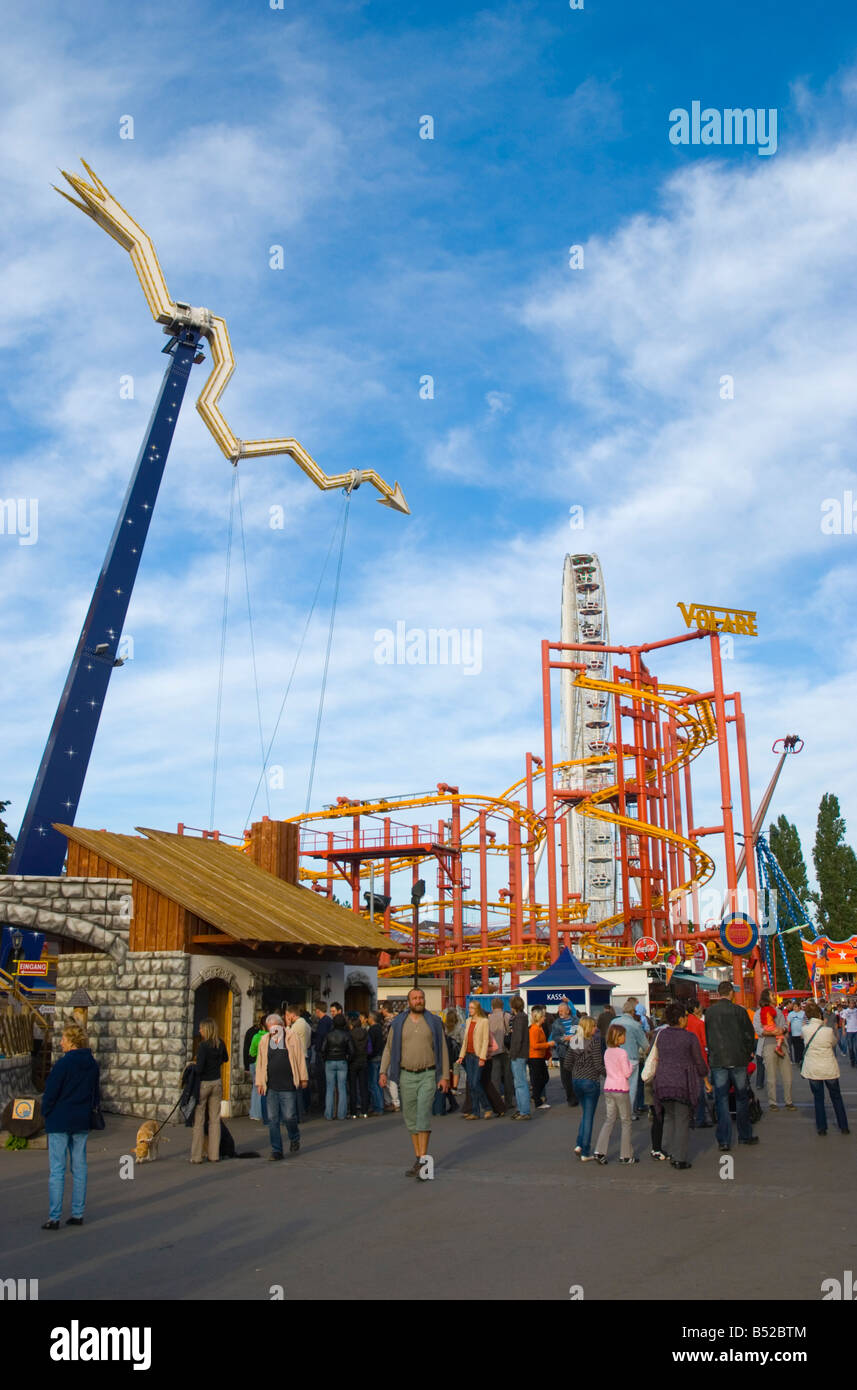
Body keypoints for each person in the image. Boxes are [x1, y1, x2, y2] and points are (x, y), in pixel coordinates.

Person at [379, 987, 449, 1175]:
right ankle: (418, 1158)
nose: (419, 1001)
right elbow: (388, 1049)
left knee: (423, 1115)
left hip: (428, 1074)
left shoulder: (434, 1022)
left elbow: (442, 1049)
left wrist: (444, 1077)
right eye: (415, 998)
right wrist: (382, 1071)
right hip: (406, 1075)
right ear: (409, 1002)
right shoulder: (398, 1023)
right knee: (410, 1118)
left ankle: (423, 1159)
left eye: (421, 998)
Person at [41, 1023, 100, 1230]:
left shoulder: (63, 1064)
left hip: (59, 1120)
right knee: (80, 1167)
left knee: (57, 1169)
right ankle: (77, 1213)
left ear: (72, 1041)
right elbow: (96, 1093)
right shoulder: (92, 1063)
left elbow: (50, 1093)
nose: (61, 1042)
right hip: (81, 1120)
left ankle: (54, 1217)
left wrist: (45, 1113)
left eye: (64, 1039)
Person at [651, 1002, 709, 1170]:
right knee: (682, 1120)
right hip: (682, 1082)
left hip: (662, 1081)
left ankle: (669, 1151)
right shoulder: (689, 1037)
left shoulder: (660, 1035)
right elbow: (699, 1061)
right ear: (681, 1019)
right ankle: (679, 1158)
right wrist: (704, 1075)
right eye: (685, 1016)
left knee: (669, 1117)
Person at [705, 981, 758, 1151]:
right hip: (738, 1058)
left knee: (721, 1099)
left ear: (719, 993)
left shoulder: (710, 1012)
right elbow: (749, 1034)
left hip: (718, 1059)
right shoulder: (739, 1011)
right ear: (731, 993)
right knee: (742, 1097)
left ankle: (724, 1139)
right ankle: (744, 1135)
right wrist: (749, 1051)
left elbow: (708, 1035)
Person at [255, 1012, 308, 1158]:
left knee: (289, 1116)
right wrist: (259, 1082)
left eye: (275, 1028)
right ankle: (277, 1150)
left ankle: (294, 1137)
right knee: (273, 1119)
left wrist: (303, 1078)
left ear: (281, 1026)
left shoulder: (292, 1038)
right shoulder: (264, 1040)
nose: (273, 1031)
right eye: (270, 1028)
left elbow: (299, 1058)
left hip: (288, 1084)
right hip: (271, 1085)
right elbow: (260, 1063)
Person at [801, 1001, 850, 1135]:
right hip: (828, 1067)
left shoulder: (805, 1029)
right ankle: (843, 1126)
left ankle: (822, 1128)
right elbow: (833, 1042)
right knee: (836, 1097)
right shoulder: (827, 1031)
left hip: (813, 1068)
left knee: (818, 1098)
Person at [593, 1023, 636, 1164]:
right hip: (621, 1088)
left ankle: (599, 1151)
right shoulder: (622, 1053)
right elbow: (627, 1072)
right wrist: (630, 1064)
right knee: (626, 1121)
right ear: (618, 1037)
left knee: (609, 1119)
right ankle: (626, 1155)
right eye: (623, 1035)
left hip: (609, 1087)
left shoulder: (607, 1051)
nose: (625, 1037)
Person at [567, 1015, 605, 1160]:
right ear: (589, 1027)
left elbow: (567, 1063)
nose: (596, 1028)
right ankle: (585, 1151)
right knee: (589, 1115)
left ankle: (579, 1144)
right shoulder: (594, 1043)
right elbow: (598, 1064)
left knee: (585, 1113)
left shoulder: (574, 1041)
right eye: (594, 1025)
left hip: (577, 1080)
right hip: (590, 1080)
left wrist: (577, 1069)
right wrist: (609, 1075)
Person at [191, 1018, 228, 1163]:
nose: (199, 1031)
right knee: (215, 1120)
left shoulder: (203, 1046)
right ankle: (214, 1155)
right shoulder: (220, 1043)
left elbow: (199, 1068)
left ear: (206, 1030)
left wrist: (192, 1066)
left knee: (199, 1121)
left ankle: (196, 1156)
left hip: (204, 1084)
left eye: (201, 1028)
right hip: (217, 1082)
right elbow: (225, 1058)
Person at [754, 990, 795, 1111]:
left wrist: (782, 1030)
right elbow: (758, 1030)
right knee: (771, 1075)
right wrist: (772, 1032)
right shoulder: (758, 1013)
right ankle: (773, 1101)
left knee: (787, 1074)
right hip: (767, 1044)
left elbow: (785, 1026)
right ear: (766, 998)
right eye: (772, 995)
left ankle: (789, 1100)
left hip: (782, 1044)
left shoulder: (779, 1012)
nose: (775, 997)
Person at [458, 1000, 493, 1118]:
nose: (470, 1009)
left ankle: (487, 1107)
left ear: (477, 1009)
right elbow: (465, 1040)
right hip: (468, 1055)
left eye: (472, 1008)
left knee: (475, 1082)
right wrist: (461, 1055)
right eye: (469, 1007)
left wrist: (482, 1057)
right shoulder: (468, 1021)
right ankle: (475, 1111)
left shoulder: (484, 1021)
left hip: (478, 1055)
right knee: (472, 1085)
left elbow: (485, 1040)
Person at [615, 1000, 649, 1118]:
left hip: (615, 1057)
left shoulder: (614, 1022)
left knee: (617, 1086)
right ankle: (628, 1113)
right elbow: (645, 1045)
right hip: (631, 1058)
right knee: (631, 1087)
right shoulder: (635, 1025)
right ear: (633, 1012)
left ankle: (617, 1110)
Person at [320, 1012, 354, 1119]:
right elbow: (352, 1051)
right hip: (342, 1061)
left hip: (329, 1061)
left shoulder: (328, 1035)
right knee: (342, 1088)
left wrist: (325, 1059)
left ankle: (329, 1114)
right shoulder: (346, 1035)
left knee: (330, 1088)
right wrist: (347, 1059)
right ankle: (341, 1114)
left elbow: (323, 1049)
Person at [686, 999, 712, 1128]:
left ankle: (690, 1117)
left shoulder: (684, 1021)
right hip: (699, 1058)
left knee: (689, 1090)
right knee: (700, 1090)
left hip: (685, 1059)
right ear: (695, 1009)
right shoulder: (699, 1023)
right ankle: (700, 1118)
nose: (701, 1007)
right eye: (700, 1006)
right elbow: (706, 1042)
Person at [550, 1001, 580, 1108]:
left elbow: (581, 1033)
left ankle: (577, 1095)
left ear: (568, 1011)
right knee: (566, 1077)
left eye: (562, 1011)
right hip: (563, 1051)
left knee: (576, 1074)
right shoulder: (556, 1023)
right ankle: (571, 1098)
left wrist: (574, 1038)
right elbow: (555, 1037)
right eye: (559, 1011)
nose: (560, 1012)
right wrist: (564, 1038)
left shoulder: (576, 1021)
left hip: (576, 1050)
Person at [488, 997, 515, 1113]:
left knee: (495, 1079)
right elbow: (512, 1031)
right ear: (502, 1005)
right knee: (508, 1077)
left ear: (492, 1006)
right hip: (506, 1050)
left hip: (493, 1051)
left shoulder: (488, 1019)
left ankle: (497, 1103)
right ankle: (509, 1102)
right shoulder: (507, 1016)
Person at [286, 1003, 312, 1117]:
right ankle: (302, 1110)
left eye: (287, 1015)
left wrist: (287, 1025)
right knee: (301, 1086)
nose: (286, 1018)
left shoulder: (296, 1025)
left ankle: (298, 1113)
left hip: (297, 1058)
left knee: (296, 1087)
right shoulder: (306, 1024)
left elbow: (287, 1038)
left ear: (292, 1014)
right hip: (305, 1055)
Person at [508, 995, 531, 1119]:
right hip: (521, 1053)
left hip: (518, 1054)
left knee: (520, 1083)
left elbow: (517, 1039)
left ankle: (524, 1110)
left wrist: (513, 1053)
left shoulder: (519, 1019)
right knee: (519, 1083)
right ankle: (521, 1108)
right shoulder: (522, 1017)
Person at [528, 1006, 553, 1111]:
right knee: (540, 1078)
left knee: (544, 1077)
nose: (545, 1018)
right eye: (543, 1016)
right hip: (535, 1057)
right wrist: (547, 1044)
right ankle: (537, 1098)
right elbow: (534, 1045)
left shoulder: (539, 1028)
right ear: (539, 1017)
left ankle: (536, 1095)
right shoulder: (534, 1029)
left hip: (539, 1056)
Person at [347, 1012, 371, 1117]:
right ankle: (364, 1111)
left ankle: (353, 1112)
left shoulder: (350, 1034)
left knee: (353, 1088)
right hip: (363, 1061)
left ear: (352, 1025)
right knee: (363, 1087)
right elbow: (370, 1049)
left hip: (353, 1062)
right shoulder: (366, 1033)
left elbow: (349, 1048)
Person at [378, 1003, 401, 1112]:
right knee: (392, 1078)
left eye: (382, 1009)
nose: (380, 1011)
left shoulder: (388, 1022)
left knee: (390, 1079)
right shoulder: (397, 1020)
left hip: (390, 1052)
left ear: (386, 1009)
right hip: (396, 1052)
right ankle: (392, 1101)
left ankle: (394, 1102)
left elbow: (386, 1040)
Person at [246, 1013, 268, 1123]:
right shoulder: (270, 1037)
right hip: (264, 1065)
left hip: (255, 1064)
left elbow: (251, 1052)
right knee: (264, 1089)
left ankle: (254, 1113)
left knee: (255, 1088)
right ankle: (263, 1113)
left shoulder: (256, 1036)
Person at [312, 1002, 333, 1112]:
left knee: (321, 1080)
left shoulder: (323, 1022)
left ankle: (323, 1104)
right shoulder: (328, 1021)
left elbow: (321, 1038)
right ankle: (324, 1103)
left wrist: (316, 1045)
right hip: (326, 1053)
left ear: (318, 1010)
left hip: (322, 1054)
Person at [366, 1010, 386, 1114]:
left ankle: (378, 1107)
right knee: (378, 1084)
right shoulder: (380, 1028)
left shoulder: (372, 1030)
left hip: (373, 1059)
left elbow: (370, 1046)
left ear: (372, 1018)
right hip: (380, 1057)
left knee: (373, 1084)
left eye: (368, 1017)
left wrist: (368, 1055)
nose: (367, 1019)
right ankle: (380, 1105)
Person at [843, 997, 857, 1067]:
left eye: (853, 1003)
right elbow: (843, 1021)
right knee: (850, 1048)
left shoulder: (856, 1010)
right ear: (848, 1004)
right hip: (849, 1031)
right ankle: (852, 1061)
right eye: (851, 1003)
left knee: (856, 1047)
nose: (852, 1004)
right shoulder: (846, 1011)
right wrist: (843, 1030)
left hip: (856, 1031)